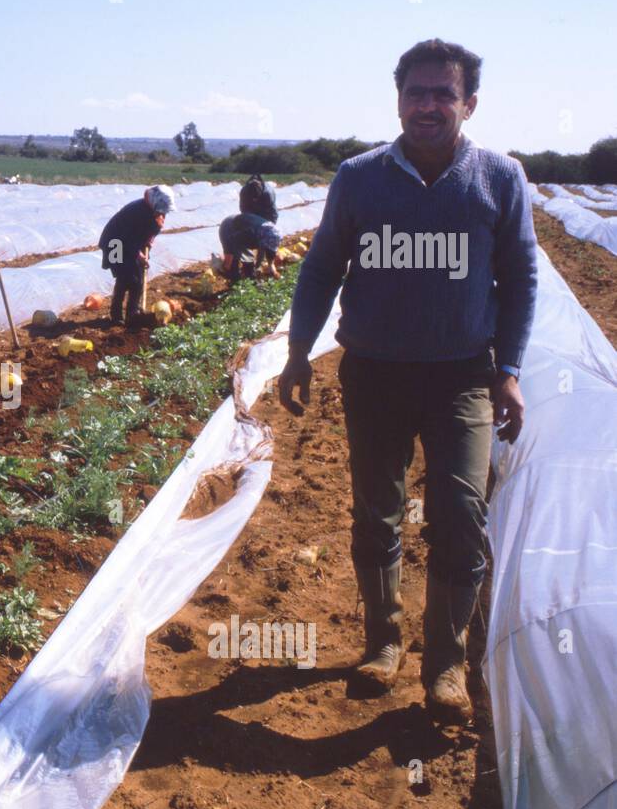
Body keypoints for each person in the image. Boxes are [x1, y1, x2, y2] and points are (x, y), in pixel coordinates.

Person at [277, 38, 537, 721]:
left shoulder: (499, 179)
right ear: (398, 100)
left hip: (462, 378)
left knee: (458, 515)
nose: (428, 105)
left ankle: (446, 663)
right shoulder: (359, 177)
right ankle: (384, 642)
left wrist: (509, 370)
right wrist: (299, 350)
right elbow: (322, 266)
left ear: (468, 104)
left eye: (443, 94)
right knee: (377, 513)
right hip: (375, 375)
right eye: (416, 92)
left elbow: (521, 279)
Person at [99, 185, 176, 325]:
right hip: (113, 243)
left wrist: (149, 241)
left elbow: (153, 230)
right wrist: (138, 254)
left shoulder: (157, 211)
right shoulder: (138, 212)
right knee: (124, 277)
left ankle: (133, 314)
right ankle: (116, 316)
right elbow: (127, 237)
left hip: (130, 243)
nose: (163, 213)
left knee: (138, 279)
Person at [218, 174, 281, 282]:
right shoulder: (245, 192)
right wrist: (229, 262)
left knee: (260, 246)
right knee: (234, 259)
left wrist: (271, 265)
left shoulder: (268, 194)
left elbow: (272, 216)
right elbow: (234, 242)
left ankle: (250, 270)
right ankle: (234, 276)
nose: (254, 200)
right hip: (229, 228)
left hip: (259, 224)